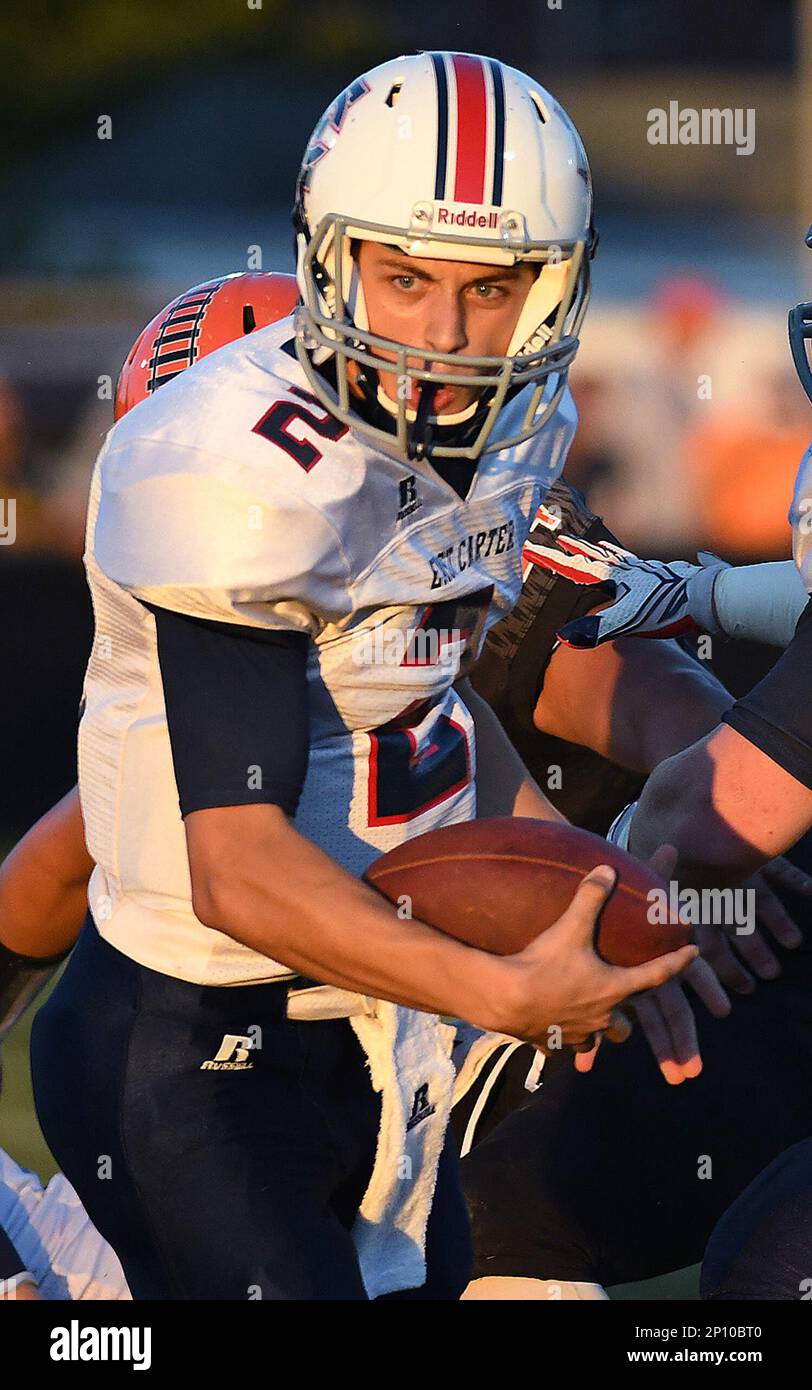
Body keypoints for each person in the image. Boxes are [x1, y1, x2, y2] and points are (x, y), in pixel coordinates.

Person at [26, 53, 695, 1302]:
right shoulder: (229, 465)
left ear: (554, 285)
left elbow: (433, 711)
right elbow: (236, 868)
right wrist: (508, 987)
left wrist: (598, 899)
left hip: (386, 1027)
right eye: (403, 278)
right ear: (330, 260)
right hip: (190, 1037)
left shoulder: (519, 423)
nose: (443, 336)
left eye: (489, 287)